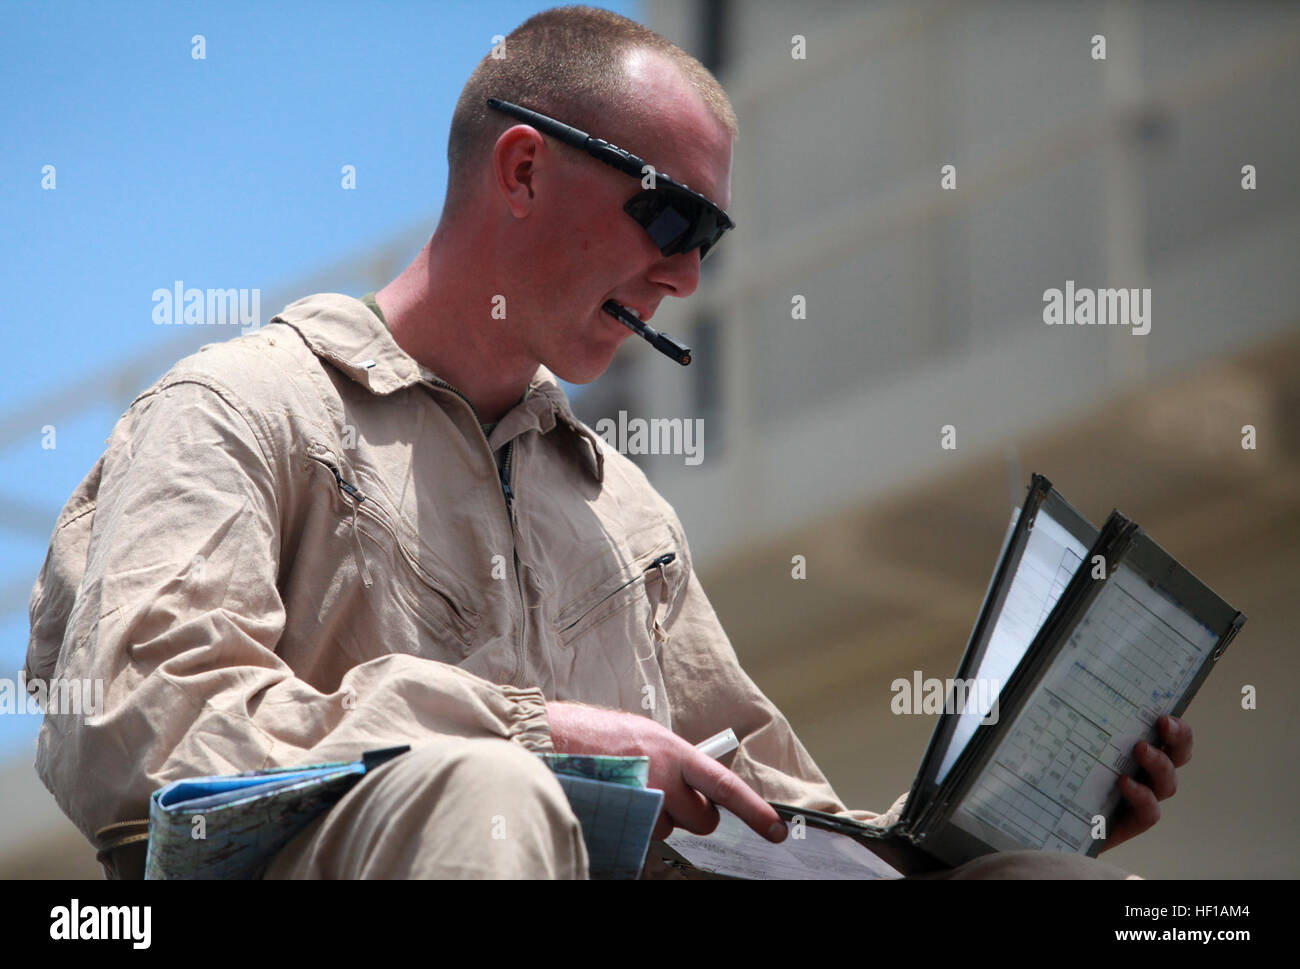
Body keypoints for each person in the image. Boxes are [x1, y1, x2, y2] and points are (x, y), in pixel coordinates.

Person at [25, 6, 1189, 880]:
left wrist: (1019, 811)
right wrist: (531, 734)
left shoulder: (623, 513)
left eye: (710, 240)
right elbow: (136, 730)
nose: (685, 273)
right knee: (487, 791)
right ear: (524, 169)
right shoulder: (241, 408)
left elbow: (771, 818)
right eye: (670, 216)